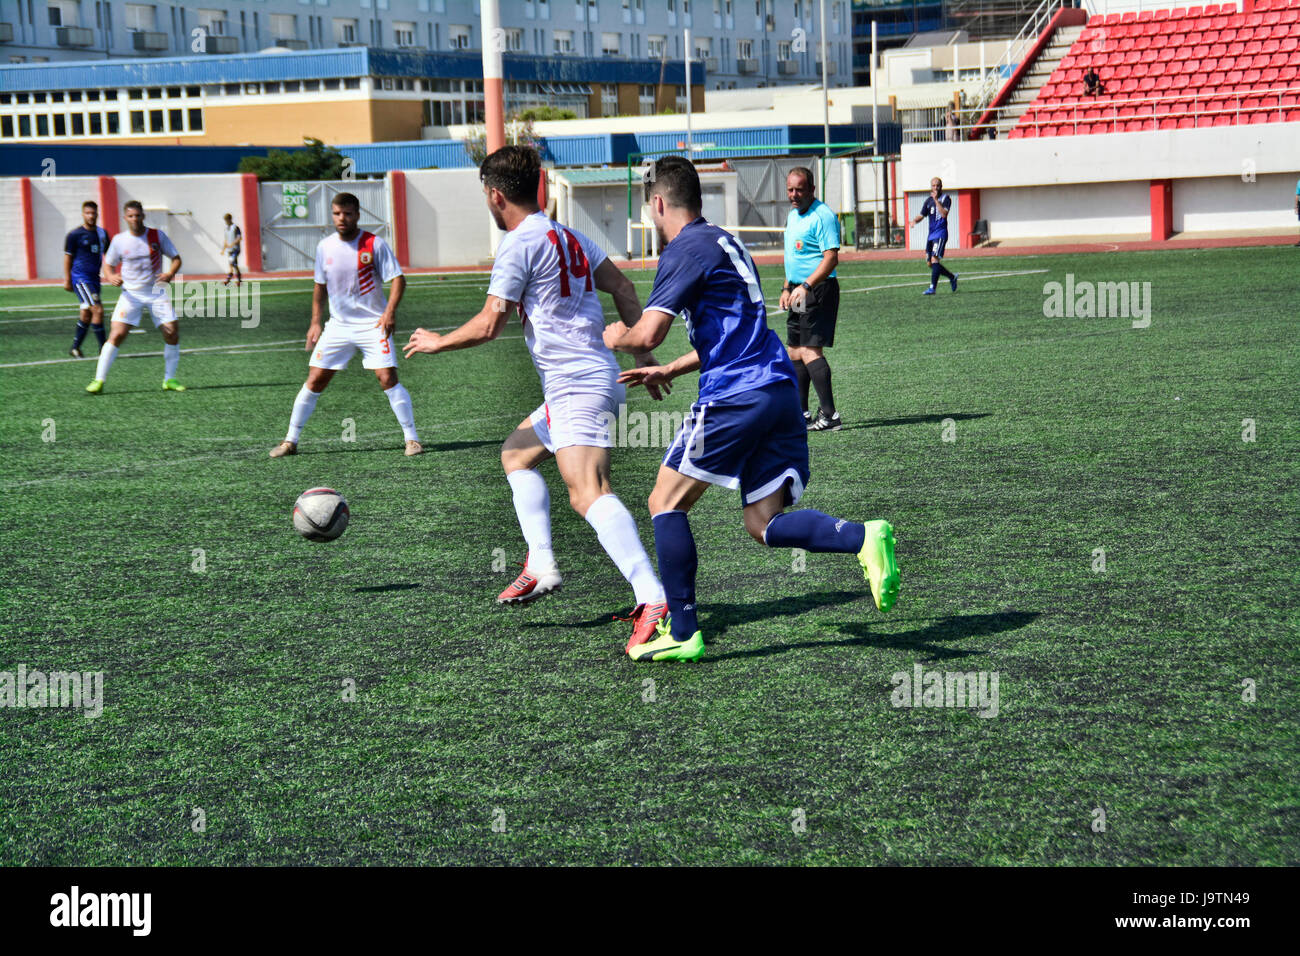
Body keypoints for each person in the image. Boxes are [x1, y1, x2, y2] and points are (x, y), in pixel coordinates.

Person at [604, 156, 901, 663]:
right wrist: (670, 371)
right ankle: (863, 536)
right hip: (777, 388)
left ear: (657, 203)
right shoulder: (722, 240)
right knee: (761, 522)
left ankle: (684, 630)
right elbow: (733, 333)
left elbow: (647, 332)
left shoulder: (684, 249)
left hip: (735, 396)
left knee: (664, 502)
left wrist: (618, 337)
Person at [404, 145, 669, 651]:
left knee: (587, 491)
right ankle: (542, 563)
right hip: (590, 382)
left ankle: (652, 596)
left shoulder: (518, 243)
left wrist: (437, 341)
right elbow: (625, 290)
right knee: (515, 453)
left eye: (485, 194)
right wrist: (640, 359)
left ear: (495, 195)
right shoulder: (570, 235)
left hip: (577, 388)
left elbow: (488, 325)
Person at [269, 193, 422, 458]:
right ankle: (290, 441)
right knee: (315, 380)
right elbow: (319, 288)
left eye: (348, 214)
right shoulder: (324, 247)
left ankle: (412, 439)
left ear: (357, 214)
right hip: (338, 326)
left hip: (373, 325)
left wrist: (389, 312)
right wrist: (315, 322)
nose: (342, 219)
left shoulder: (374, 244)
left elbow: (398, 279)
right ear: (332, 214)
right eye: (337, 214)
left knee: (387, 378)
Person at [86, 200, 184, 394]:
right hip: (130, 295)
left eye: (138, 215)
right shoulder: (120, 240)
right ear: (125, 218)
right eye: (131, 216)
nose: (135, 219)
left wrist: (170, 274)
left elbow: (176, 258)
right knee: (117, 334)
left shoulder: (157, 236)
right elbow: (108, 264)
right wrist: (111, 276)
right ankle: (98, 380)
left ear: (143, 216)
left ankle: (169, 379)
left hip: (156, 293)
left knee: (172, 332)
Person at [780, 167, 843, 432]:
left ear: (812, 190)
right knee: (794, 348)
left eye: (799, 190)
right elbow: (792, 257)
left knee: (809, 350)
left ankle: (830, 416)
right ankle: (801, 414)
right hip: (796, 289)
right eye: (790, 190)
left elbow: (831, 258)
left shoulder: (823, 216)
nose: (794, 195)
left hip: (817, 289)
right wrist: (786, 287)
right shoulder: (793, 215)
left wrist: (806, 285)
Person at [64, 200, 109, 358]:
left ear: (97, 214)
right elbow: (68, 258)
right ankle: (104, 349)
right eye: (88, 213)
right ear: (83, 214)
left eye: (93, 213)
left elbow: (109, 255)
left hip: (94, 279)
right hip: (81, 279)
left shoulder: (102, 234)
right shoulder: (75, 235)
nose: (91, 216)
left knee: (86, 314)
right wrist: (68, 279)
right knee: (97, 309)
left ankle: (75, 348)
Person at [910, 176, 958, 295]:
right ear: (930, 187)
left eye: (937, 185)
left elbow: (944, 214)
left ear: (941, 187)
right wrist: (914, 221)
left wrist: (936, 200)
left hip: (940, 234)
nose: (935, 187)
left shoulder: (945, 198)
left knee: (935, 259)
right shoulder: (928, 201)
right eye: (933, 185)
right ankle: (952, 277)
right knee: (930, 263)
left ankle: (932, 288)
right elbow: (922, 215)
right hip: (931, 235)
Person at [220, 213, 242, 287]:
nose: (225, 222)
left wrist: (233, 244)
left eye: (226, 220)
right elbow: (226, 240)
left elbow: (239, 238)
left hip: (235, 249)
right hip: (230, 250)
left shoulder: (235, 227)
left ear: (229, 219)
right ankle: (239, 280)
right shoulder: (226, 229)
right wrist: (223, 249)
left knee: (232, 263)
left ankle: (228, 280)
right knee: (233, 265)